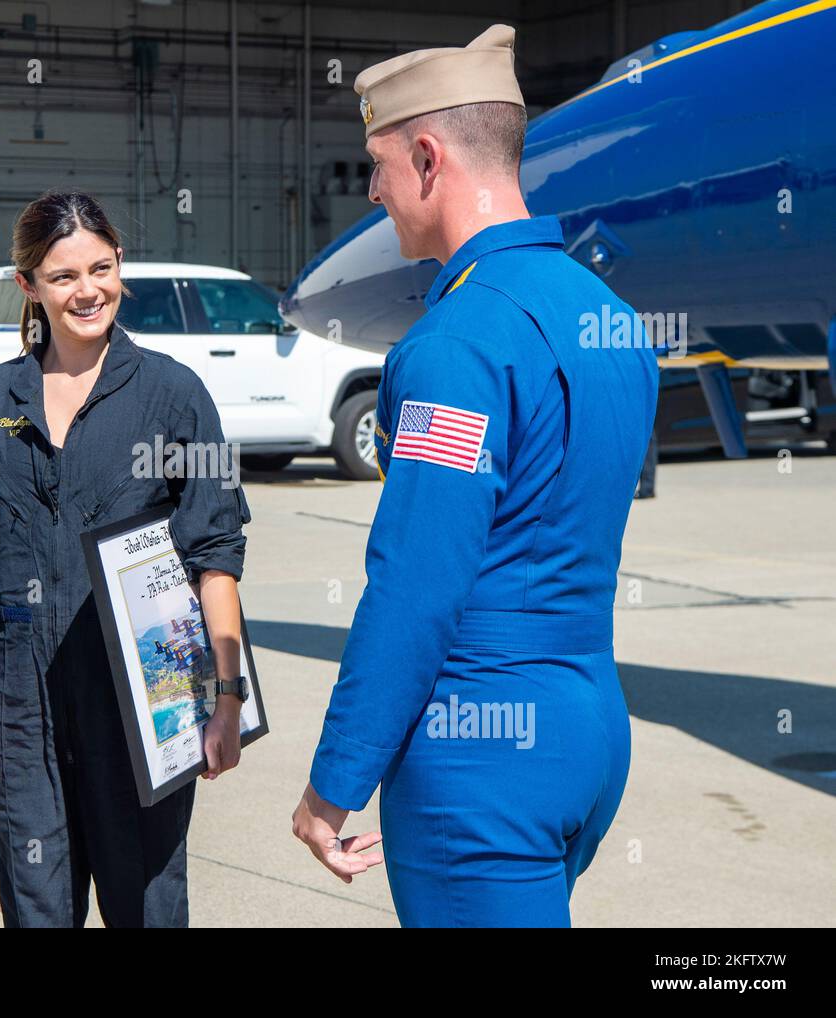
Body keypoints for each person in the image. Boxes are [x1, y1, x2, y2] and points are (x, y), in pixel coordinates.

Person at [290, 25, 659, 927]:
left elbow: (417, 586)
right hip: (589, 726)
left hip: (481, 758)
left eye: (375, 166)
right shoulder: (610, 316)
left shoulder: (454, 344)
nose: (372, 191)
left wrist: (334, 784)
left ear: (426, 156)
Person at [0, 192, 251, 927]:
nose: (88, 290)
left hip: (146, 692)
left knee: (147, 903)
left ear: (121, 267)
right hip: (20, 697)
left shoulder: (176, 396)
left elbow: (216, 555)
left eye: (101, 268)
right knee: (36, 904)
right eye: (64, 276)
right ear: (29, 284)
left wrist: (227, 697)